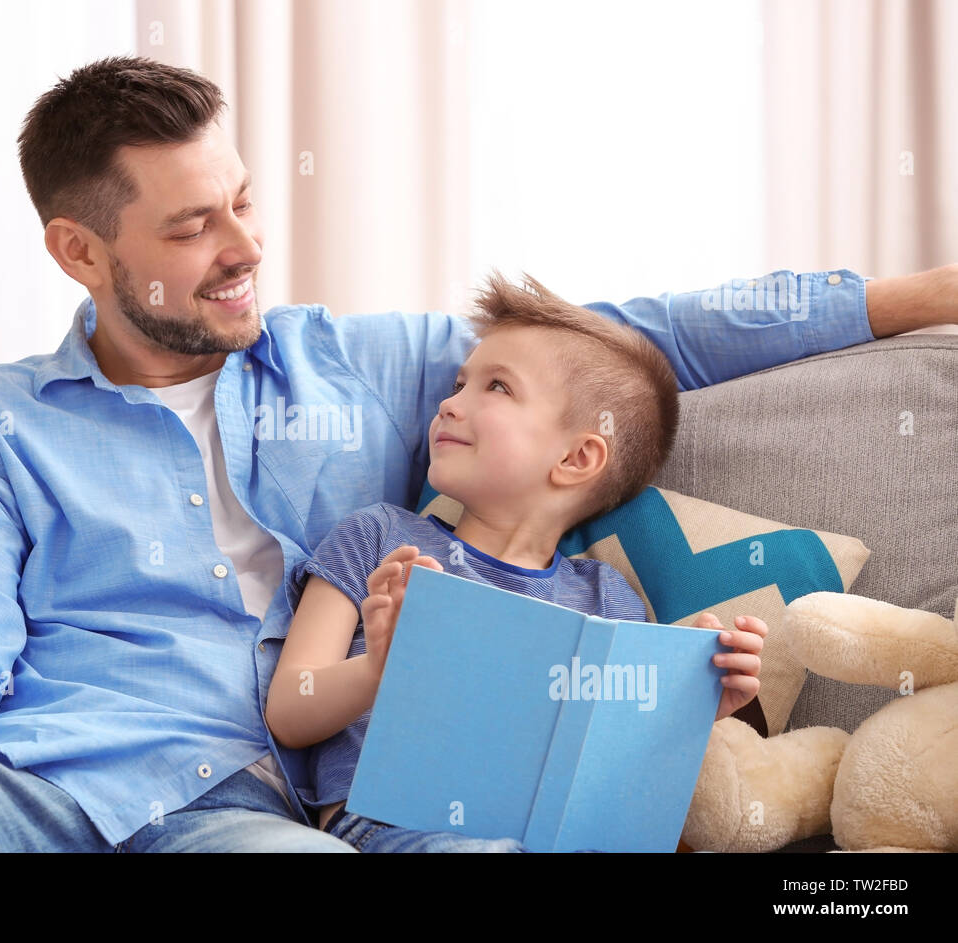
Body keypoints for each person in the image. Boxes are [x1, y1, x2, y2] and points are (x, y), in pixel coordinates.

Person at [0, 55, 957, 853]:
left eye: (245, 202)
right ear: (79, 252)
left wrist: (919, 294)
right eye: (192, 225)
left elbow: (646, 335)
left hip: (243, 811)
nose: (243, 247)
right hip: (35, 779)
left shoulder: (372, 368)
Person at [265, 271, 767, 851]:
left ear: (577, 457)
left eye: (497, 387)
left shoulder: (607, 602)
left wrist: (693, 708)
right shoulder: (378, 539)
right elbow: (288, 710)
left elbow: (615, 770)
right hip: (391, 826)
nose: (449, 404)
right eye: (459, 383)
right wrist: (380, 671)